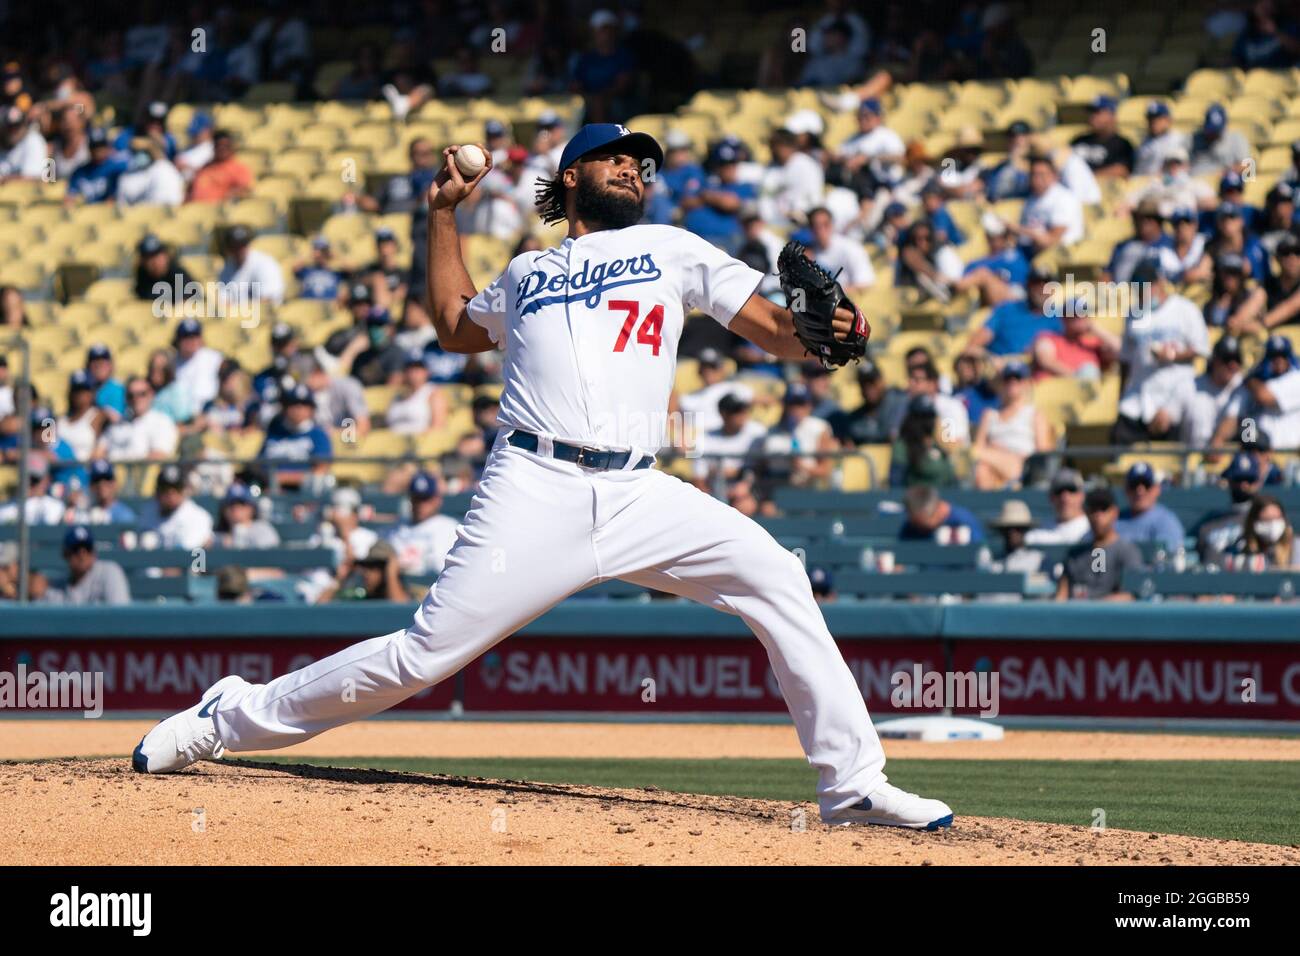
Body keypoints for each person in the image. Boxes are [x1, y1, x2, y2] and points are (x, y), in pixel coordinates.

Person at [134, 124, 953, 833]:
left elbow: (774, 328)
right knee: (421, 658)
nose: (635, 168)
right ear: (572, 175)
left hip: (640, 491)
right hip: (533, 483)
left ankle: (852, 787)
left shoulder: (672, 248)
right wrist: (443, 214)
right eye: (616, 157)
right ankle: (226, 717)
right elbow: (455, 326)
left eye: (643, 161)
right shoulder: (527, 269)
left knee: (776, 574)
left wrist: (825, 333)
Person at [1113, 257, 1209, 444]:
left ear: (1159, 283)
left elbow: (1200, 349)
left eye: (1145, 287)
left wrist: (1173, 356)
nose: (1140, 293)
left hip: (1172, 395)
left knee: (1167, 458)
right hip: (1137, 399)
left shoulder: (1185, 309)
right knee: (1119, 449)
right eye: (1137, 288)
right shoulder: (1133, 314)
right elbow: (1126, 359)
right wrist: (1121, 394)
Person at [970, 361, 1052, 490]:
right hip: (992, 464)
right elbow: (978, 446)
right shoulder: (990, 414)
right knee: (982, 470)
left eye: (1017, 379)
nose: (1012, 383)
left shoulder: (1034, 414)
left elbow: (1043, 452)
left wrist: (1002, 451)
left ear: (1026, 383)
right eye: (1008, 379)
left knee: (974, 456)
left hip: (1022, 465)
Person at [1056, 487, 1144, 601]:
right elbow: (1061, 595)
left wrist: (1094, 607)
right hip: (1074, 614)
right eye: (1093, 509)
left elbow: (1130, 596)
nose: (1098, 515)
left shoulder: (1127, 551)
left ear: (1114, 512)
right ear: (1086, 513)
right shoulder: (1074, 554)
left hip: (1110, 616)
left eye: (1103, 509)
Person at [965, 266, 1062, 357]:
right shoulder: (1006, 309)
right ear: (1027, 286)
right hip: (1002, 368)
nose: (1041, 289)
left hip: (1035, 370)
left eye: (1046, 285)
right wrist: (992, 360)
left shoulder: (1060, 319)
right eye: (1036, 284)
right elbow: (974, 345)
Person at [385, 471, 460, 577]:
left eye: (425, 499)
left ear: (437, 500)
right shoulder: (398, 527)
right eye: (417, 499)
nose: (420, 504)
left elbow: (441, 570)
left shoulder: (449, 527)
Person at [258, 384, 332, 489]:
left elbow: (321, 469)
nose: (299, 409)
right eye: (293, 404)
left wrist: (283, 478)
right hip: (270, 489)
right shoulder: (274, 431)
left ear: (312, 409)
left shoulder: (318, 435)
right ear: (284, 407)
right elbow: (259, 464)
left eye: (304, 404)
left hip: (305, 493)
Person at [1196, 452, 1263, 567]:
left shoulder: (1265, 519)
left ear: (1257, 482)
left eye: (1249, 479)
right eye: (1239, 479)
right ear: (1229, 480)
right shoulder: (1209, 524)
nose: (1244, 485)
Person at [1182, 335, 1246, 448]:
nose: (1233, 365)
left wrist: (1218, 441)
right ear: (1215, 361)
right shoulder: (1191, 385)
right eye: (1227, 360)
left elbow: (1232, 418)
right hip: (1192, 454)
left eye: (1237, 360)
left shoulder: (1242, 386)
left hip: (1229, 458)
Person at [96, 376, 179, 461]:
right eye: (131, 395)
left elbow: (159, 456)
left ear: (151, 395)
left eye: (142, 394)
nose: (136, 399)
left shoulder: (162, 422)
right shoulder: (117, 424)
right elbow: (97, 453)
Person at [829, 359, 908, 447]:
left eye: (872, 382)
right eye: (864, 384)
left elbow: (891, 433)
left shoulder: (899, 402)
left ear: (882, 381)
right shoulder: (856, 417)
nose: (869, 388)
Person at [693, 391, 765, 487]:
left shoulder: (758, 433)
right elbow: (699, 478)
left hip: (748, 490)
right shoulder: (705, 438)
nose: (742, 414)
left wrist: (734, 474)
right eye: (736, 411)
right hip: (714, 492)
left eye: (744, 409)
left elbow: (761, 469)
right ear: (723, 414)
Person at [46, 526, 130, 606]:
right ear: (65, 554)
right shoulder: (57, 587)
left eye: (87, 548)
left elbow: (120, 617)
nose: (82, 555)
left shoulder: (110, 572)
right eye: (76, 549)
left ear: (94, 552)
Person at [678, 348, 754, 436]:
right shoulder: (687, 397)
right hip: (699, 441)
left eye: (713, 367)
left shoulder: (735, 388)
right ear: (699, 370)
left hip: (729, 436)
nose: (708, 371)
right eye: (705, 367)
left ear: (721, 370)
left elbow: (764, 400)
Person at [138, 465, 214, 551]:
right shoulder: (148, 511)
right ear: (158, 492)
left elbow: (185, 557)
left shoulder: (199, 517)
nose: (170, 495)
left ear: (184, 491)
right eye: (165, 490)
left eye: (176, 489)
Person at [1114, 462, 1185, 552]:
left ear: (1156, 489)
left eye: (1146, 485)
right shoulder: (1115, 520)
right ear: (1126, 490)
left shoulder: (1166, 521)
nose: (1140, 491)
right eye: (1134, 485)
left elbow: (1167, 559)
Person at [889, 395, 956, 488]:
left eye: (930, 417)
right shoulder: (902, 446)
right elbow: (896, 484)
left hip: (945, 499)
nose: (926, 422)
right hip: (918, 500)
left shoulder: (939, 444)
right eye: (920, 418)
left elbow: (952, 481)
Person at [804, 206, 875, 290]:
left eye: (825, 224)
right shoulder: (809, 252)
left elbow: (866, 283)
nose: (821, 230)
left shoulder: (851, 248)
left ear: (832, 224)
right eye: (816, 226)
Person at [216, 225, 286, 311]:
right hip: (239, 319)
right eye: (235, 246)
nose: (240, 250)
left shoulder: (265, 264)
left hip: (268, 317)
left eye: (243, 245)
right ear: (229, 249)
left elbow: (269, 300)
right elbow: (224, 303)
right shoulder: (227, 269)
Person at [385, 350, 449, 435]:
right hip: (392, 442)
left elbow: (438, 427)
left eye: (419, 368)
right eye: (410, 368)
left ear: (427, 371)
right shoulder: (397, 397)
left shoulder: (432, 393)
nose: (414, 372)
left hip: (421, 443)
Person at [1070, 95, 1134, 179]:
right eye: (1090, 112)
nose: (1092, 116)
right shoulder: (1079, 140)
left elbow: (1121, 170)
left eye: (1097, 112)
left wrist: (1086, 178)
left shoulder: (1121, 144)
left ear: (1111, 115)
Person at [1230, 494, 1298, 569]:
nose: (1273, 524)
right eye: (1266, 519)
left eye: (1277, 518)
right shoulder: (1240, 548)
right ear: (1253, 522)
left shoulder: (1296, 546)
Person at [898, 484, 984, 542]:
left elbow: (980, 553)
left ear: (938, 509)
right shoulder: (910, 526)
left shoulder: (963, 520)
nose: (917, 526)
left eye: (920, 522)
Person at [1025, 467, 1090, 545]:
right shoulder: (1037, 535)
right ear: (1051, 497)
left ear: (1081, 495)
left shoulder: (1093, 530)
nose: (1065, 498)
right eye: (1058, 491)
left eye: (1071, 490)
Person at [188, 129, 253, 203]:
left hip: (218, 211)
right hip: (194, 209)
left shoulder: (238, 169)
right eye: (219, 145)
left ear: (231, 147)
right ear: (214, 147)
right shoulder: (205, 167)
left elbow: (246, 191)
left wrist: (229, 196)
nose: (222, 149)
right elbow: (191, 189)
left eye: (225, 146)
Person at [214, 482, 280, 549]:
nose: (236, 508)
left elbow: (267, 554)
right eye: (231, 504)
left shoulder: (263, 529)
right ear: (224, 509)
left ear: (251, 508)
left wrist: (233, 542)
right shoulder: (216, 535)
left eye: (241, 503)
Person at [988, 500, 1044, 573]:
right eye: (1007, 528)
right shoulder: (992, 562)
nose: (1012, 532)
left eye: (1018, 528)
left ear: (1026, 530)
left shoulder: (1040, 560)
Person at [74, 459, 137, 524]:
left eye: (107, 479)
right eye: (97, 480)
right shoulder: (84, 514)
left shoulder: (125, 516)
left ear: (114, 483)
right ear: (91, 485)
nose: (101, 484)